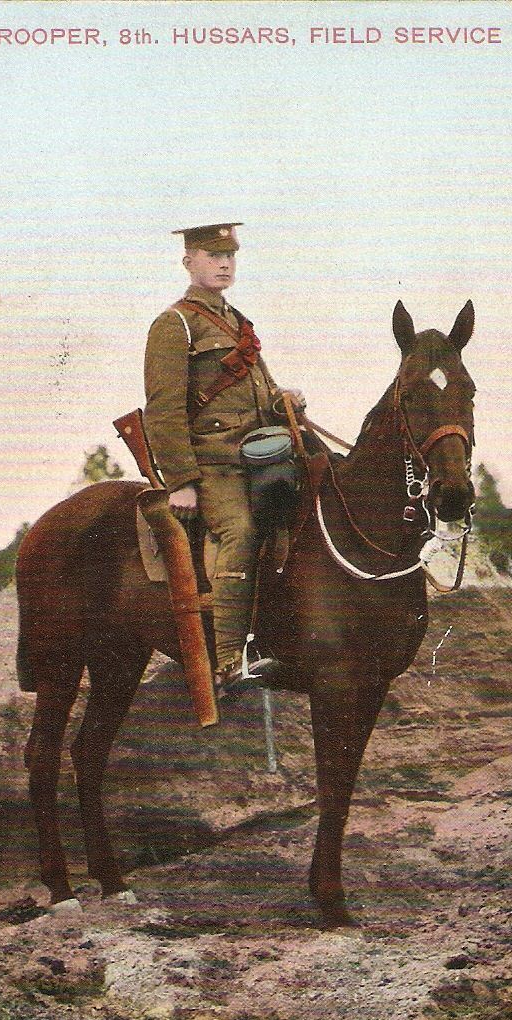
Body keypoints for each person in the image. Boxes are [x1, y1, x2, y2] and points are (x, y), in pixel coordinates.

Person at [143, 222, 304, 695]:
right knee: (242, 532)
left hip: (259, 458)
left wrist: (285, 399)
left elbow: (262, 396)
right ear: (188, 261)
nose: (224, 264)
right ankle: (231, 659)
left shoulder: (239, 324)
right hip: (213, 466)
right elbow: (164, 409)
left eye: (230, 255)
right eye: (212, 256)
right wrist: (181, 482)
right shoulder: (174, 325)